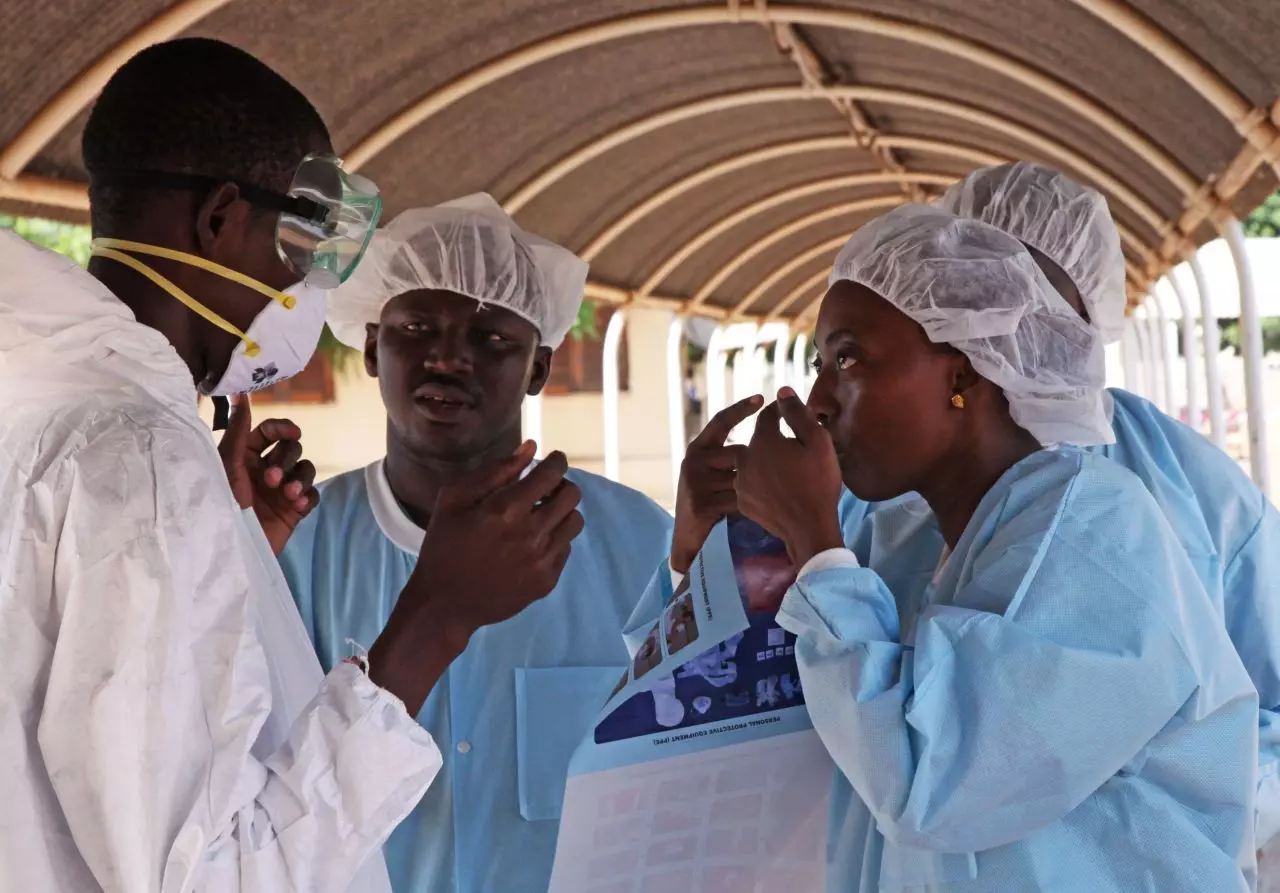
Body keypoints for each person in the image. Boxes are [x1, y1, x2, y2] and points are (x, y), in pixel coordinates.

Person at [0, 39, 581, 893]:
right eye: (307, 240)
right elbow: (214, 876)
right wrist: (435, 617)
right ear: (222, 221)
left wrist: (234, 558)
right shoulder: (138, 460)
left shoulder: (44, 402)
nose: (313, 280)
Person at [726, 204, 1257, 889]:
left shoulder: (1089, 533)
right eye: (820, 362)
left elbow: (931, 780)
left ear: (964, 376)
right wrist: (713, 549)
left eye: (849, 357)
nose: (820, 399)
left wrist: (817, 542)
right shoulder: (955, 532)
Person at [278, 194, 673, 893]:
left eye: (492, 338)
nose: (449, 357)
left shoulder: (640, 547)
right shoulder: (296, 548)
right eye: (416, 326)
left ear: (540, 367)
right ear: (371, 346)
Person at [939, 161, 1280, 847]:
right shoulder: (884, 500)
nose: (1007, 326)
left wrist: (1200, 798)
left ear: (1092, 315)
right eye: (985, 293)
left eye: (1036, 299)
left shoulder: (1190, 486)